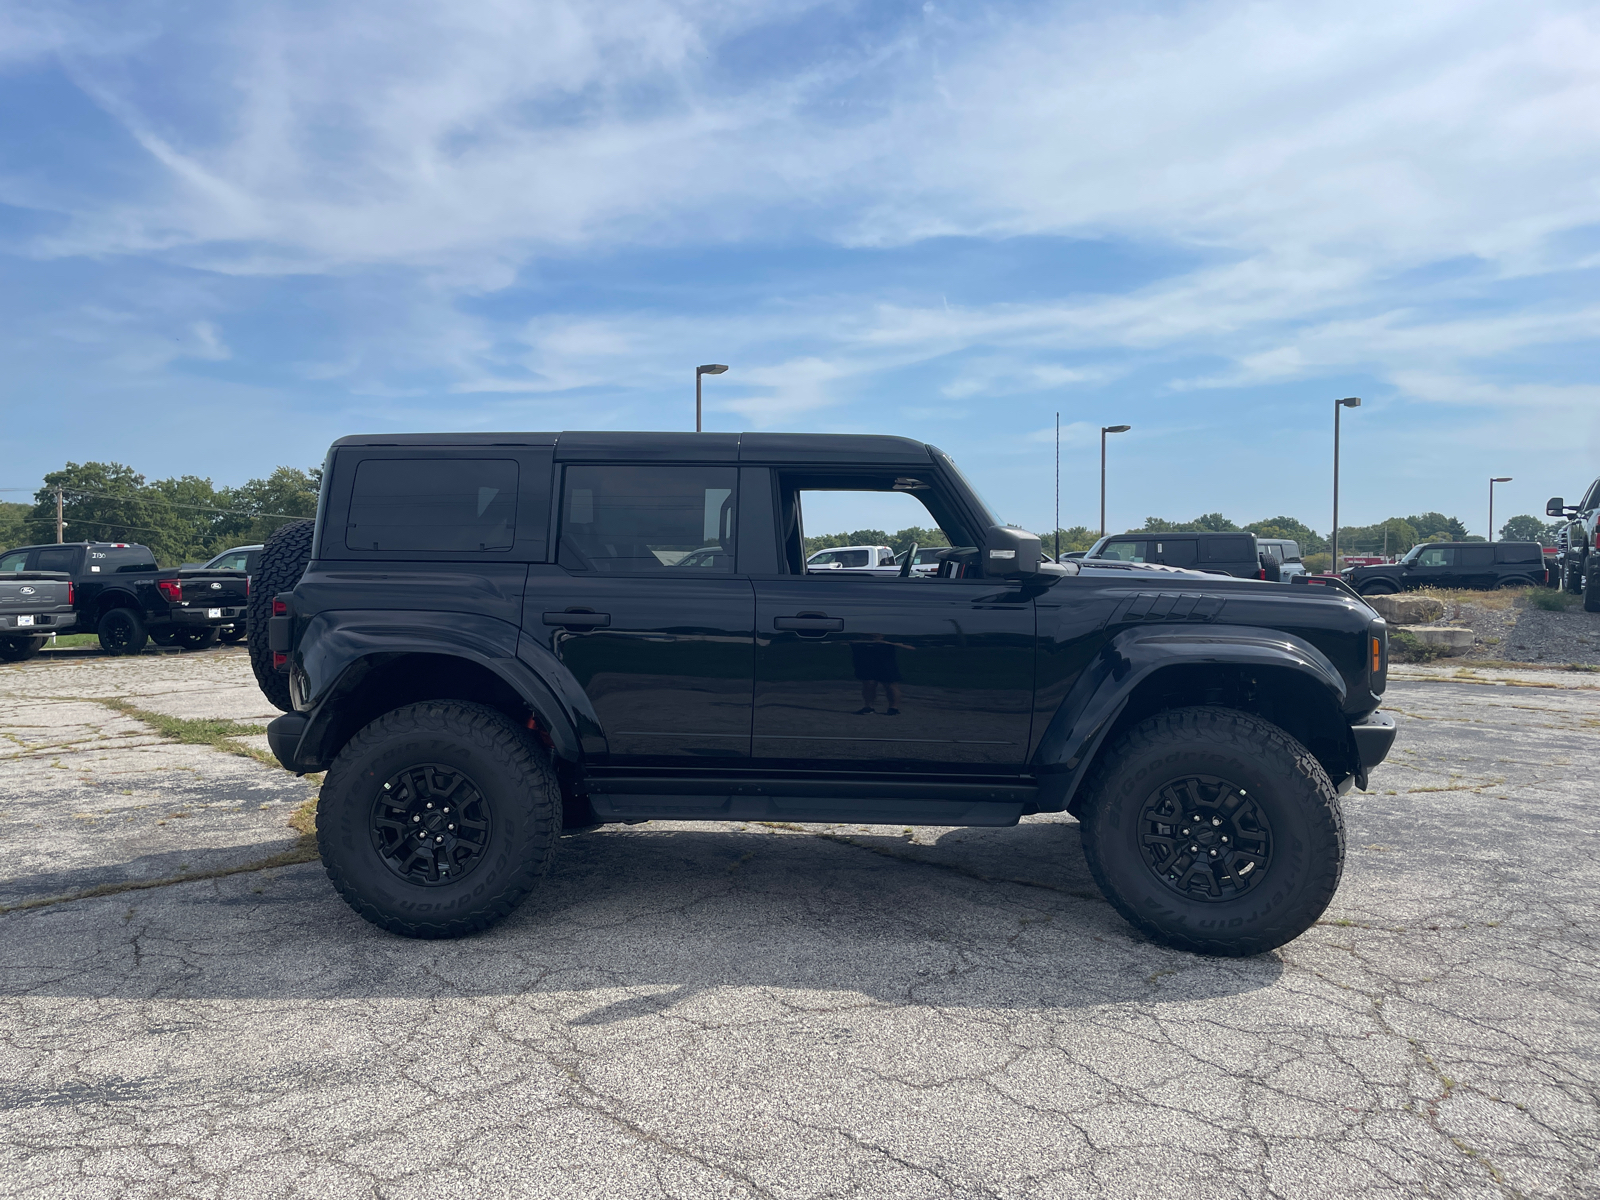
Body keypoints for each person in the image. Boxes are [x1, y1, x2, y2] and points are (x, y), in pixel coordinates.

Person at [850, 633, 913, 715]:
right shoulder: (858, 643)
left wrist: (889, 643)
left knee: (891, 685)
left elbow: (911, 648)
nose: (872, 636)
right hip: (866, 666)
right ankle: (868, 707)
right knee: (868, 684)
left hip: (886, 666)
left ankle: (893, 708)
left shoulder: (888, 643)